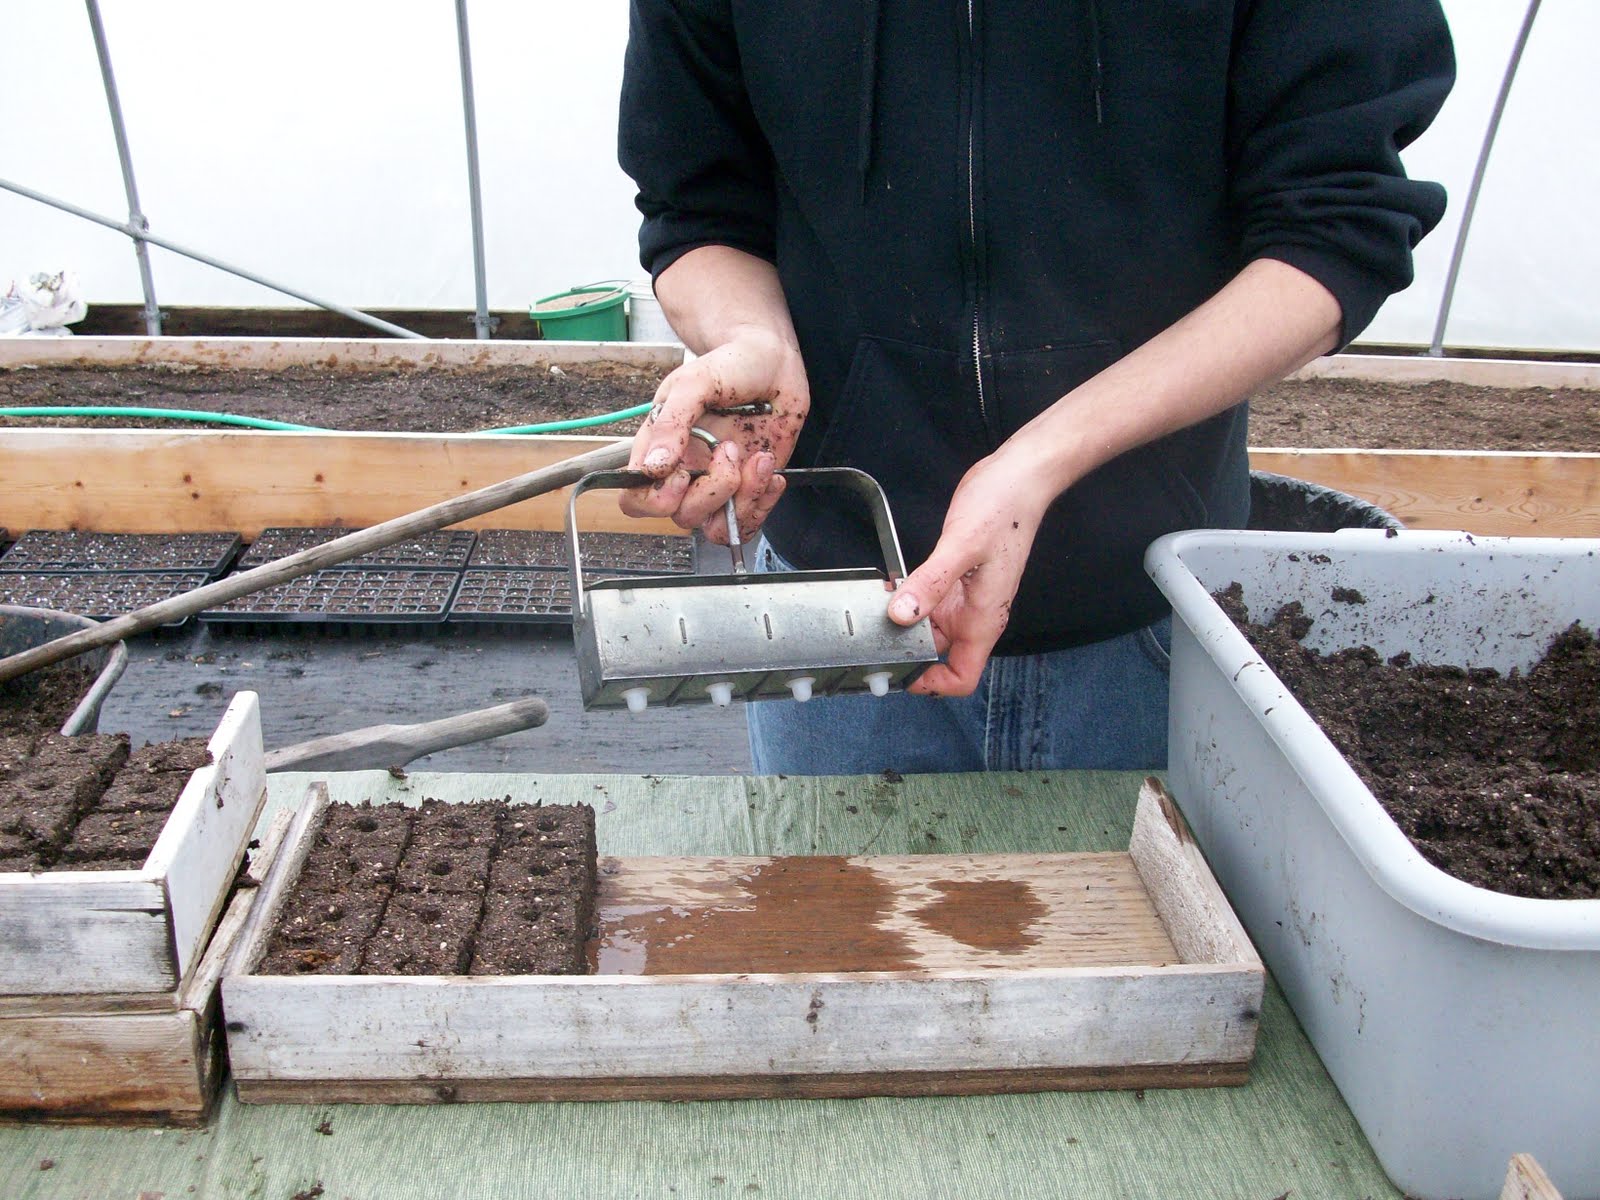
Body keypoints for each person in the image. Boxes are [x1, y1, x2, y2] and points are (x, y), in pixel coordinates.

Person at [615, 0, 1455, 775]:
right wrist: (751, 337)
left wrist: (1042, 459)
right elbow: (700, 206)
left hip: (1155, 624)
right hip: (832, 632)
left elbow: (1334, 229)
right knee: (837, 934)